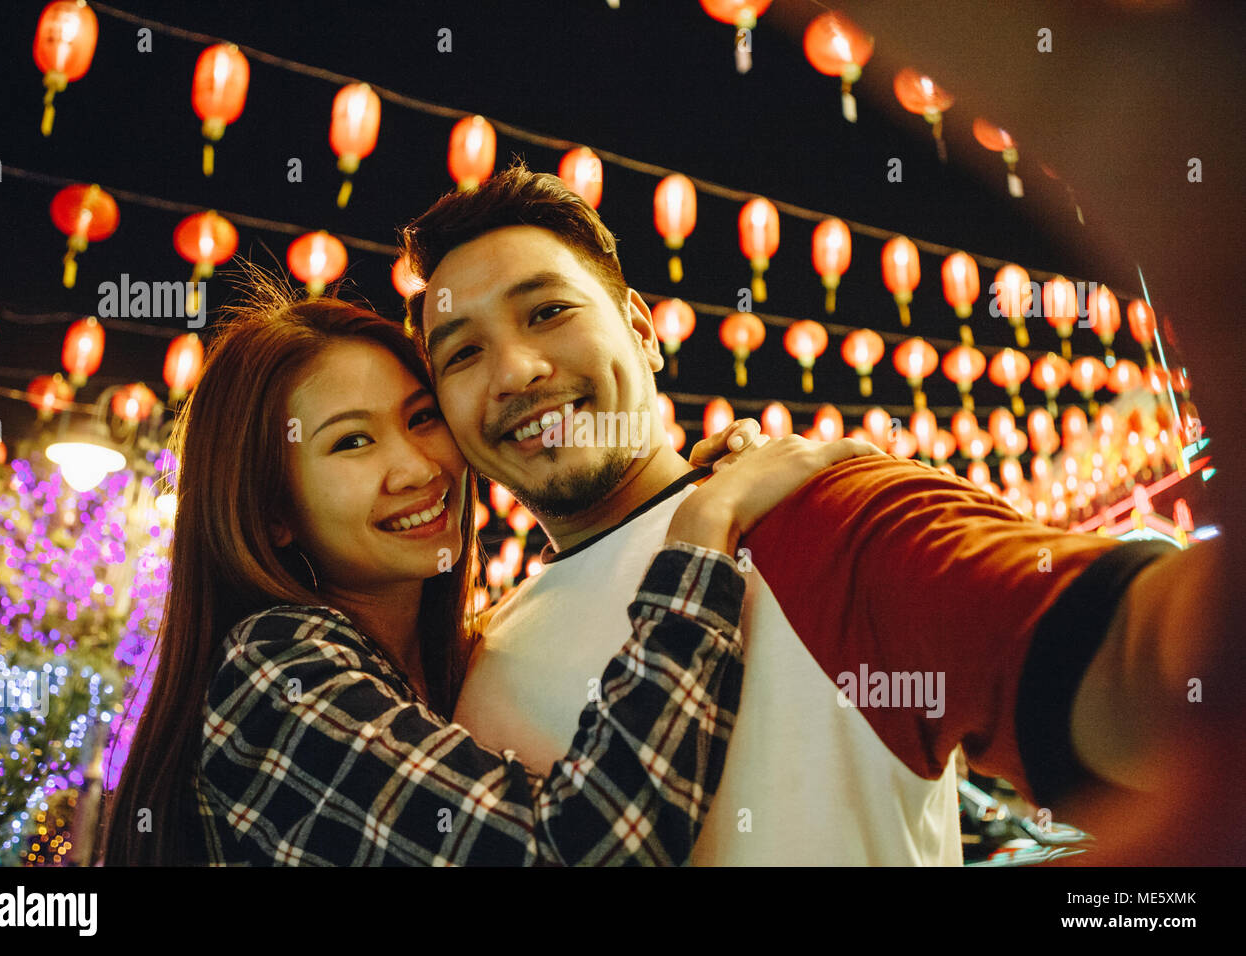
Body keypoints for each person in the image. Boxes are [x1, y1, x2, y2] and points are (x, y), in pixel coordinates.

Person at [399, 163, 1226, 865]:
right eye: (463, 352)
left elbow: (1128, 651)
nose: (515, 370)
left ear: (643, 331)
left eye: (548, 311)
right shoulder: (464, 670)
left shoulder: (816, 515)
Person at [96, 274, 873, 866]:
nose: (416, 468)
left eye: (420, 418)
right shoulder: (271, 668)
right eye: (351, 443)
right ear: (273, 510)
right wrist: (701, 531)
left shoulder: (462, 662)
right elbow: (579, 846)